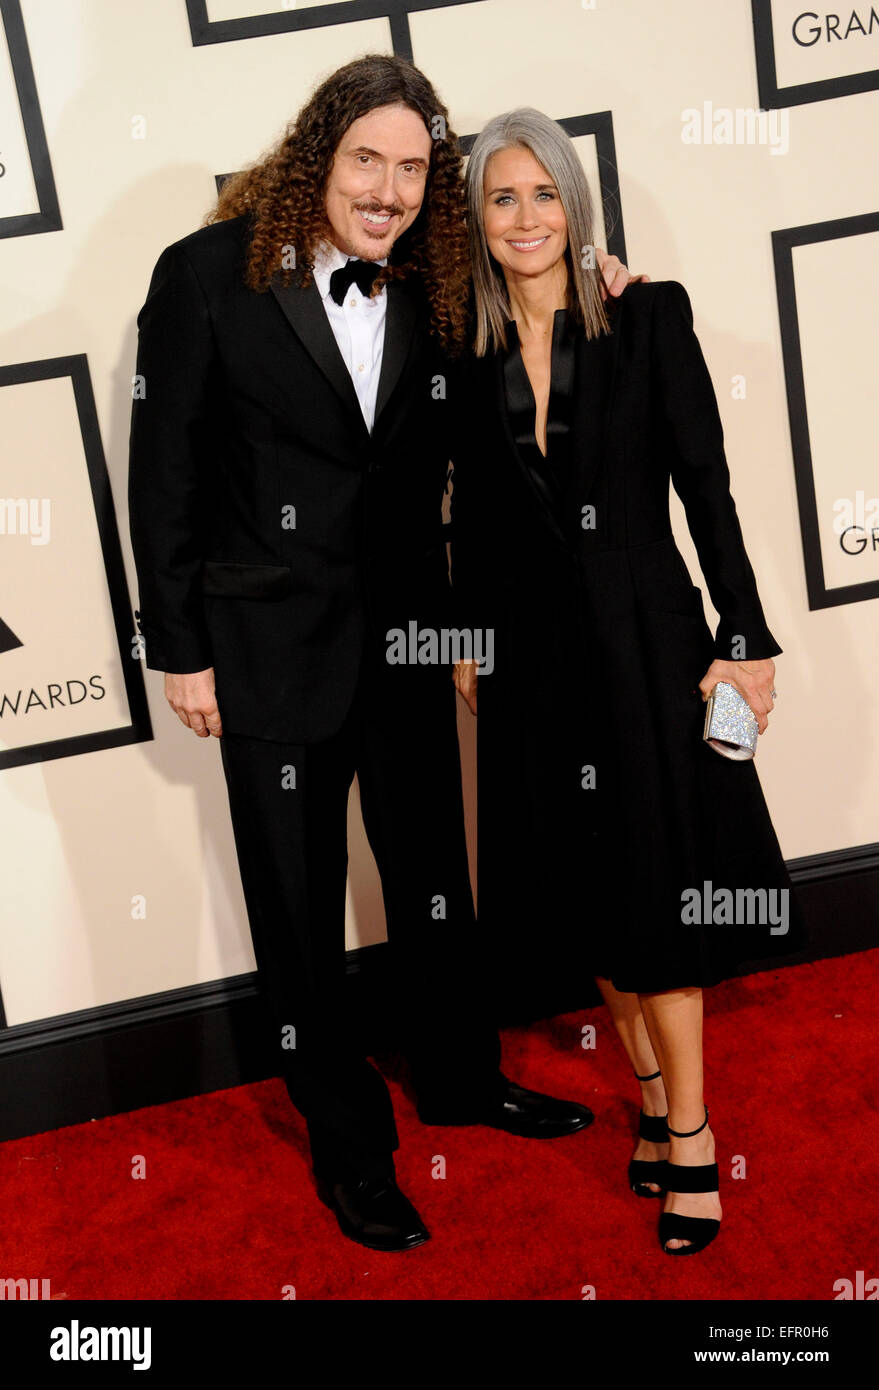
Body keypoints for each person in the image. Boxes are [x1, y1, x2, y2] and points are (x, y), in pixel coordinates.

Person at [127, 58, 639, 1254]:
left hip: (408, 634)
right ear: (322, 152)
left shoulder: (435, 275)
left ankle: (462, 1080)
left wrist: (613, 298)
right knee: (301, 915)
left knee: (433, 882)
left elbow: (489, 422)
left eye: (414, 168)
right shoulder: (206, 274)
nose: (392, 189)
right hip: (262, 650)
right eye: (371, 160)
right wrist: (183, 652)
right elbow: (166, 479)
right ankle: (352, 1150)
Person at [450, 107, 807, 1255]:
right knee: (587, 893)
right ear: (476, 217)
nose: (525, 217)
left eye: (542, 193)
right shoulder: (465, 350)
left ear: (574, 202)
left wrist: (743, 635)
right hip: (535, 657)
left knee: (658, 890)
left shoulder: (649, 314)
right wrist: (463, 636)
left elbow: (707, 484)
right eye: (501, 198)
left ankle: (694, 1136)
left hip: (646, 639)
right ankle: (650, 1096)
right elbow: (468, 522)